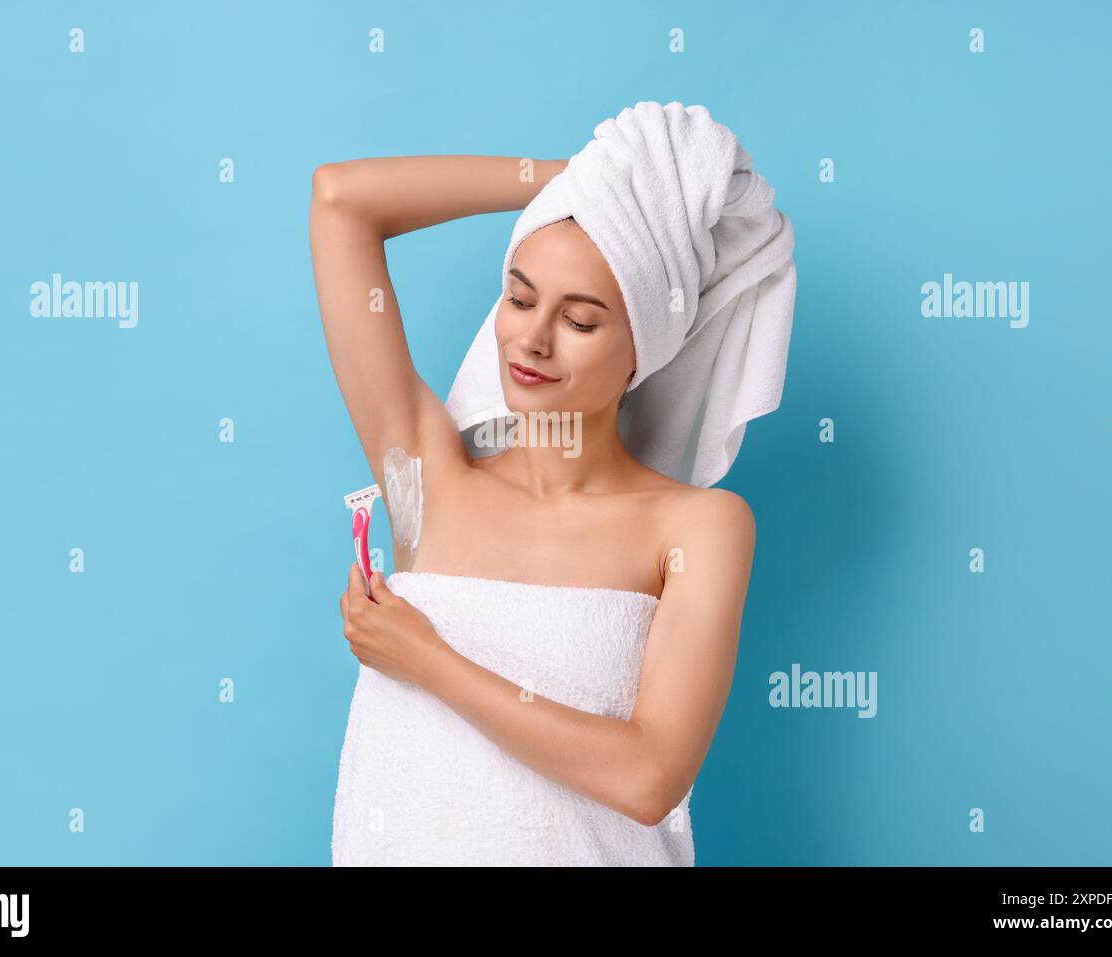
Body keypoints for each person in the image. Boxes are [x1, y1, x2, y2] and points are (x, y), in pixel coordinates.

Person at [310, 104, 790, 865]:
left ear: (645, 345)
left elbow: (648, 776)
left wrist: (427, 659)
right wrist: (578, 183)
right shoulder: (427, 481)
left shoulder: (697, 527)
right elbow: (341, 200)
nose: (531, 338)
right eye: (520, 297)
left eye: (582, 319)